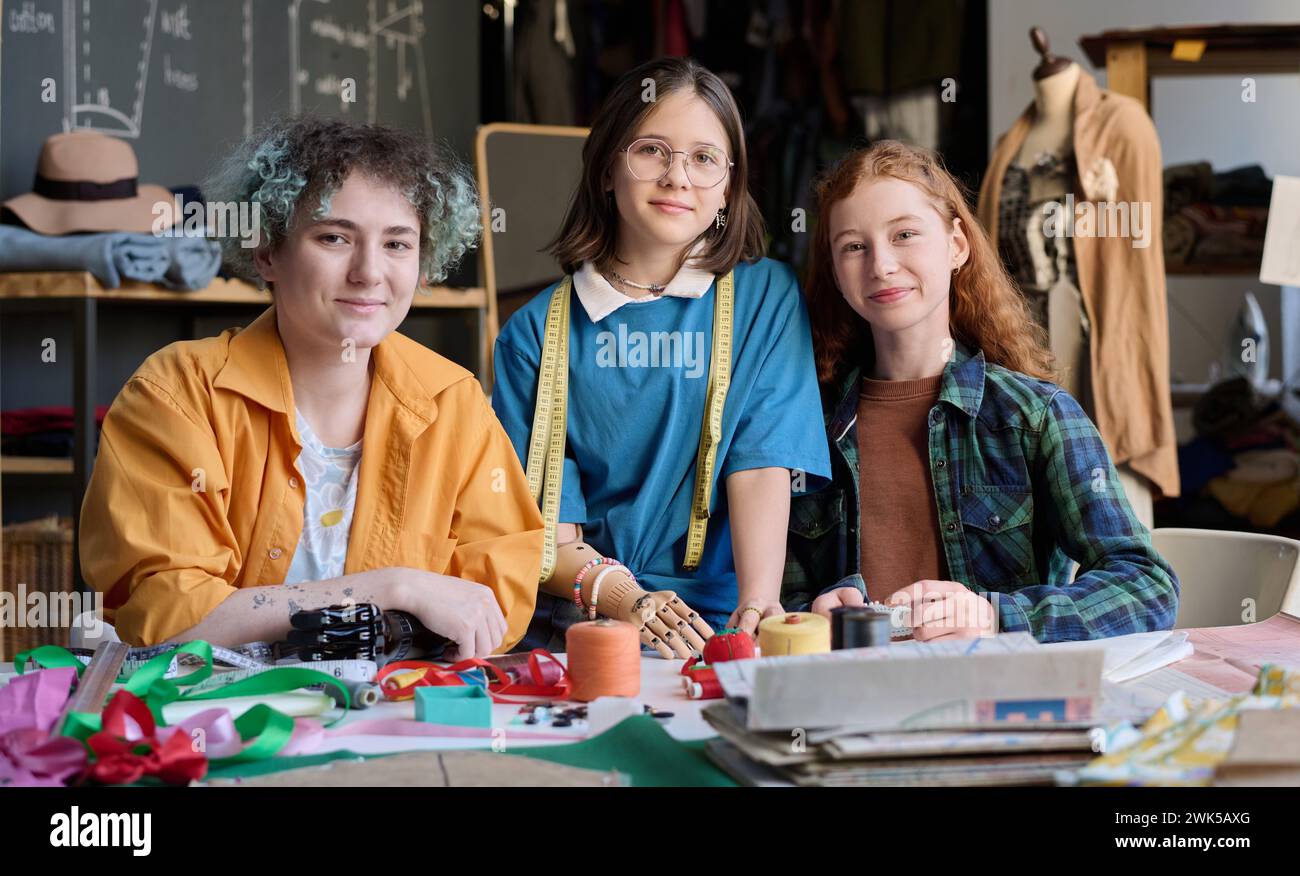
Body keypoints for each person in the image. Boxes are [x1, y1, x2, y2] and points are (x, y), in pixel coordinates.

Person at [81, 116, 543, 656]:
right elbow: (168, 615)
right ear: (268, 252)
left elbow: (495, 600)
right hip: (217, 719)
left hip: (393, 714)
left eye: (397, 244)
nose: (369, 272)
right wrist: (392, 589)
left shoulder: (452, 399)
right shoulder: (176, 394)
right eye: (334, 238)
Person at [492, 58, 831, 658]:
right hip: (586, 624)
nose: (678, 177)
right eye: (651, 150)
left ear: (728, 186)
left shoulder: (767, 298)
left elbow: (760, 462)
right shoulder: (533, 334)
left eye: (704, 159)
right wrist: (630, 601)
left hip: (724, 624)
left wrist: (759, 603)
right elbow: (545, 533)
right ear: (605, 169)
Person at [785, 139, 1178, 642]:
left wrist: (994, 616)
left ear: (956, 246)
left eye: (904, 234)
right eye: (854, 246)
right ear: (837, 273)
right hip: (853, 697)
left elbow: (1147, 586)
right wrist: (810, 612)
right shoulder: (804, 424)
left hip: (996, 699)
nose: (880, 265)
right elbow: (772, 598)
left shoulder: (1037, 415)